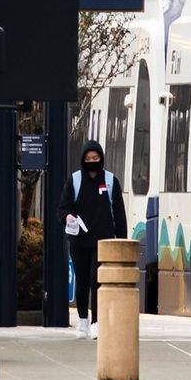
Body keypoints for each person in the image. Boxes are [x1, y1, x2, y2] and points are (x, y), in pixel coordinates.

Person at [59, 139, 127, 338]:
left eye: (95, 158)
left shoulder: (111, 181)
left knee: (97, 279)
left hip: (104, 241)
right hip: (79, 241)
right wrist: (67, 216)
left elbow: (119, 214)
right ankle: (82, 321)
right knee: (82, 281)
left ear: (101, 158)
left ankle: (97, 321)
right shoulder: (75, 180)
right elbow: (62, 207)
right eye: (88, 158)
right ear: (83, 159)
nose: (92, 161)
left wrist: (121, 241)